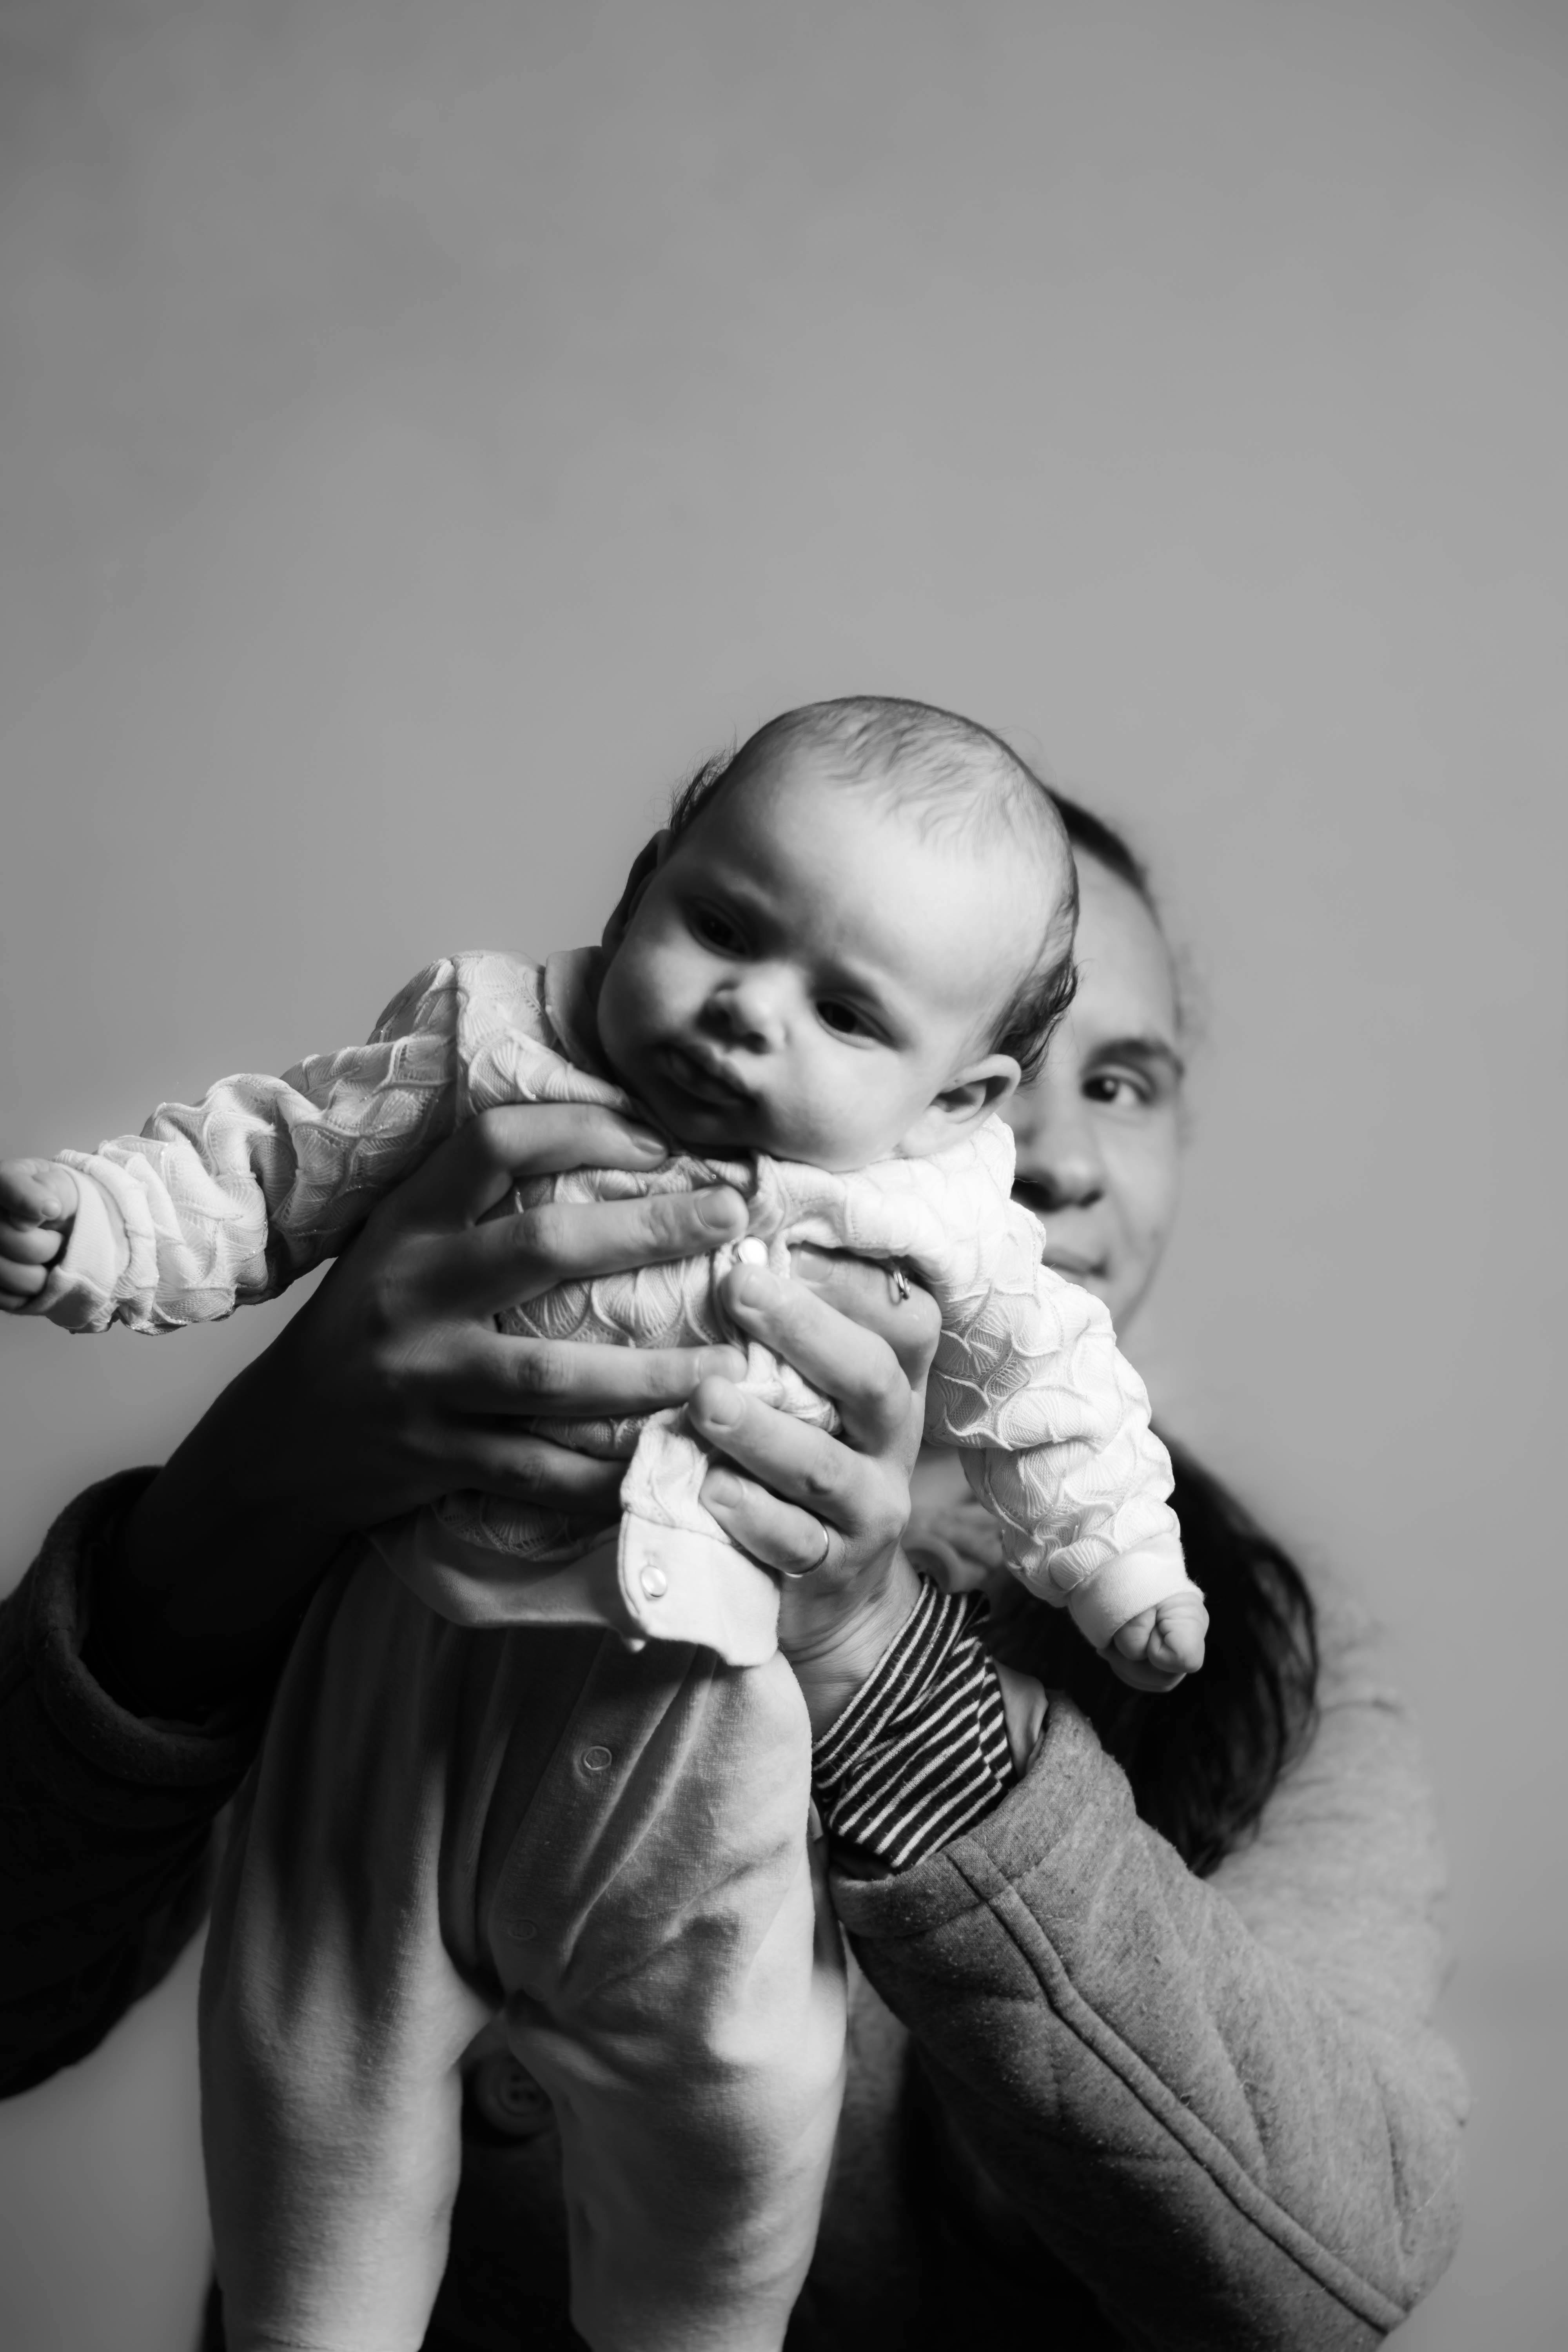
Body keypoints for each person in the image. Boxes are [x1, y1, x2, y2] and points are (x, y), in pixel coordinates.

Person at [0, 789, 1465, 2350]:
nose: (1048, 1159)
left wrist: (874, 1656)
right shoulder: (426, 1395)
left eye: (1118, 1081)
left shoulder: (1269, 1650)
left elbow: (1332, 2273)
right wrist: (263, 1473)